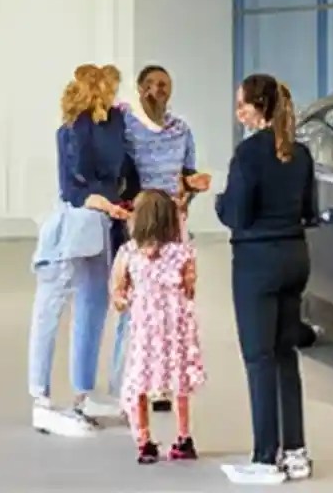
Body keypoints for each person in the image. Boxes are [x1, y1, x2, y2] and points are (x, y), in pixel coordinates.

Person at [217, 74, 317, 485]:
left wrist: (218, 201)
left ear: (259, 107)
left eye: (243, 105)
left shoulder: (247, 154)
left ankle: (264, 458)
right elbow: (310, 209)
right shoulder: (302, 153)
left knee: (258, 359)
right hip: (295, 257)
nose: (238, 112)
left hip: (257, 262)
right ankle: (295, 452)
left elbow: (236, 214)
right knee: (285, 355)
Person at [27, 64, 135, 437]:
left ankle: (82, 393)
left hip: (100, 226)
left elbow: (114, 178)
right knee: (51, 307)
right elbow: (74, 188)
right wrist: (109, 204)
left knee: (93, 305)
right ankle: (40, 398)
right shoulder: (75, 129)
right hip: (74, 225)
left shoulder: (114, 126)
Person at [109, 64, 211, 410]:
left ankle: (163, 384)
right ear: (140, 89)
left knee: (172, 305)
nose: (158, 90)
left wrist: (190, 192)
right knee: (136, 304)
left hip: (173, 221)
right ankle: (127, 384)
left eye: (164, 84)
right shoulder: (127, 125)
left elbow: (188, 174)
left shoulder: (181, 129)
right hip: (139, 221)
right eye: (150, 84)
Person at [110, 189, 207, 465]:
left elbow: (118, 294)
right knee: (180, 383)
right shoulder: (184, 253)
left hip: (144, 331)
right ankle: (183, 438)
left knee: (140, 382)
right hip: (177, 330)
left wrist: (129, 301)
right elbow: (190, 289)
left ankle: (145, 442)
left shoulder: (128, 253)